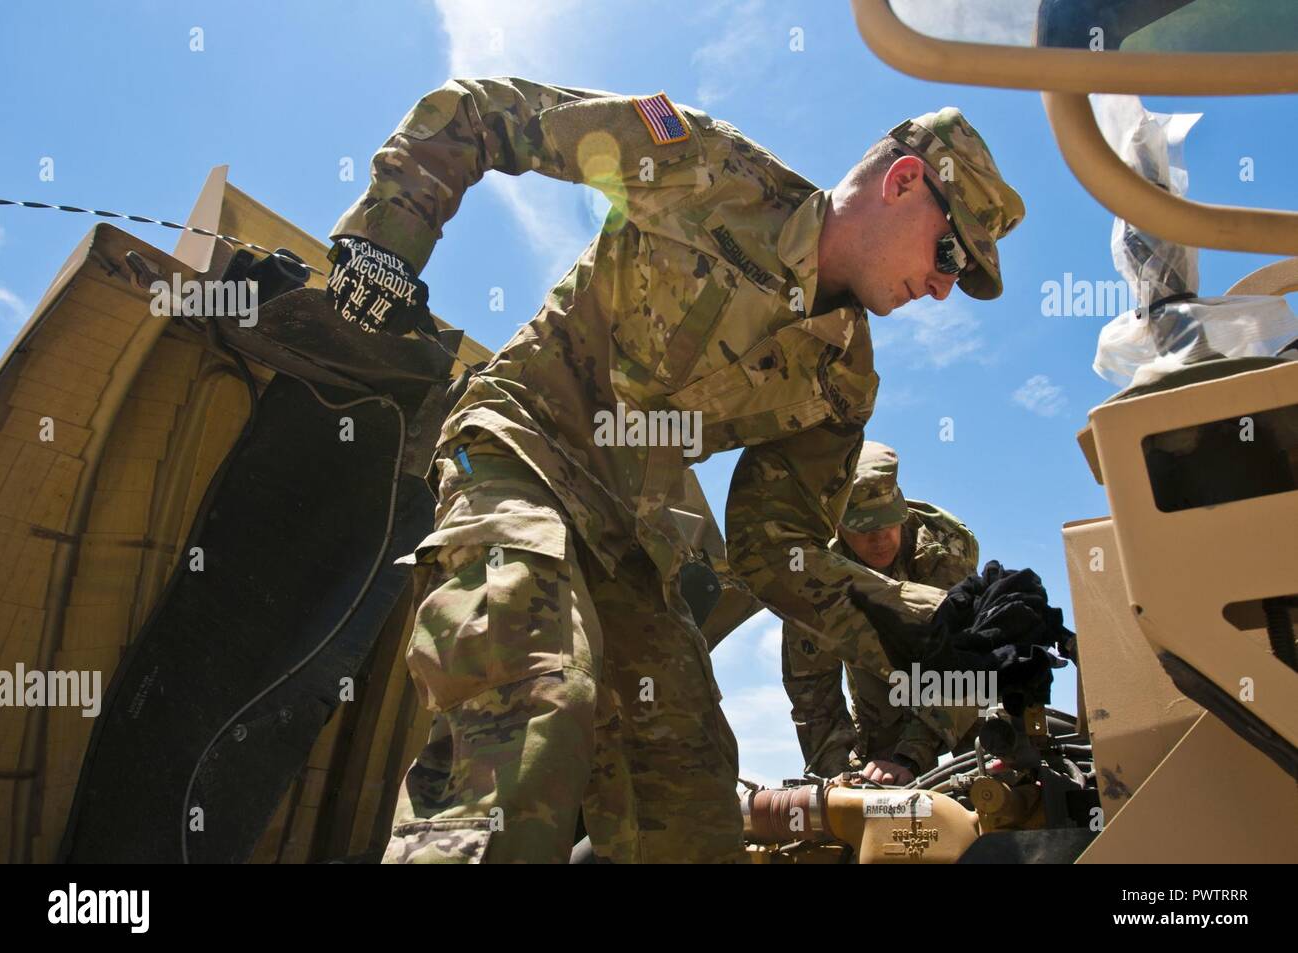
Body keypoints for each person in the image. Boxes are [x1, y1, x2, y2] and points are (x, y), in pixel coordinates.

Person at [326, 77, 1024, 862]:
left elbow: (775, 553)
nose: (940, 288)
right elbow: (487, 112)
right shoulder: (702, 167)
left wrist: (934, 627)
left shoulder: (842, 382)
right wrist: (388, 237)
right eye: (949, 251)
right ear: (902, 182)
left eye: (957, 278)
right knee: (533, 694)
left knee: (689, 804)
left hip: (630, 533)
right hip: (517, 449)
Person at [779, 440, 980, 786]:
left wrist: (911, 755)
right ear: (837, 525)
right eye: (863, 529)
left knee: (988, 759)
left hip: (959, 690)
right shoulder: (814, 578)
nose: (881, 539)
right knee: (875, 790)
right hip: (880, 705)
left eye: (888, 523)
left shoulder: (944, 547)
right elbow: (811, 690)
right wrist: (837, 776)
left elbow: (962, 657)